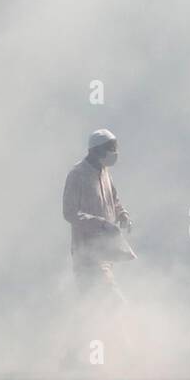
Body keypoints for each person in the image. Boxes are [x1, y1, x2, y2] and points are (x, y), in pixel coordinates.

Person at [62, 129, 134, 304]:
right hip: (87, 254)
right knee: (113, 304)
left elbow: (113, 199)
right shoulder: (77, 175)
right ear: (95, 150)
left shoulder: (104, 171)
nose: (114, 153)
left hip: (105, 252)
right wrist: (101, 225)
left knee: (99, 305)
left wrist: (122, 214)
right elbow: (70, 212)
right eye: (110, 148)